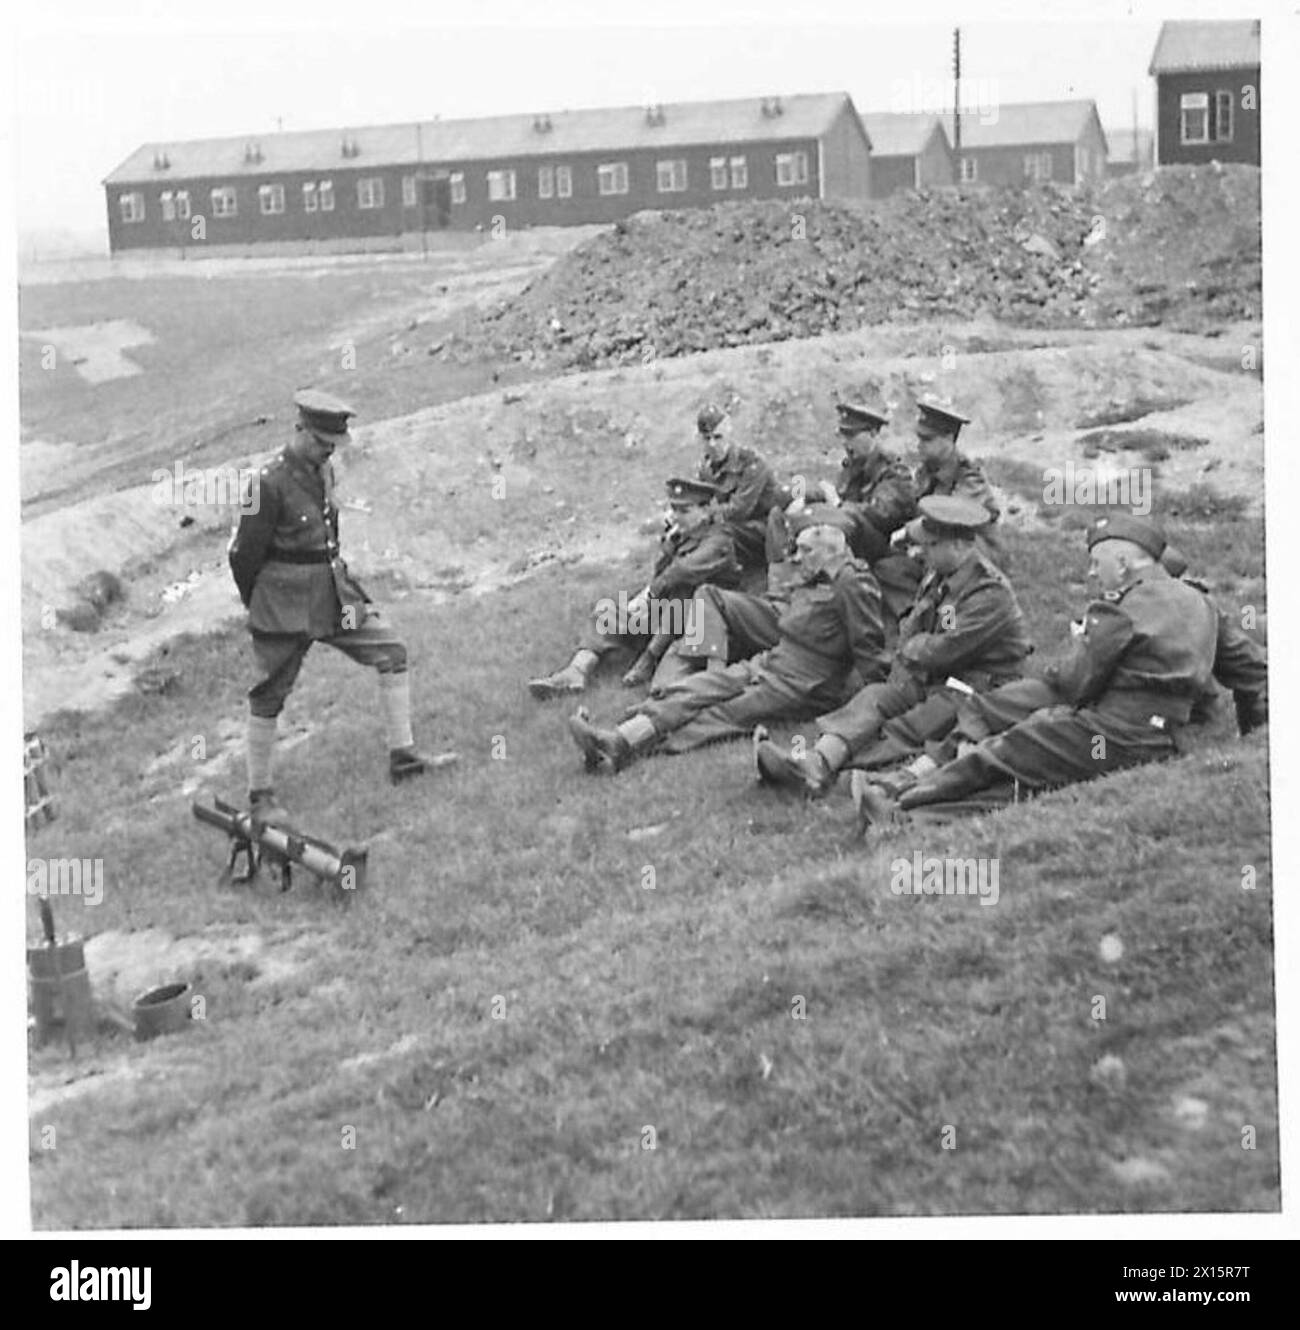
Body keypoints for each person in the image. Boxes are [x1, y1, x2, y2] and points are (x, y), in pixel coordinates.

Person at [851, 512, 1220, 831]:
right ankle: (916, 817)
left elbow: (1076, 682)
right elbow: (1224, 679)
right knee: (1024, 775)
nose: (1093, 574)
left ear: (1123, 564)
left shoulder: (1116, 612)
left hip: (1111, 730)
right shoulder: (1202, 603)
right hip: (1155, 736)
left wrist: (1081, 644)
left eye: (1097, 564)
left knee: (1014, 746)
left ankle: (906, 802)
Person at [228, 389, 455, 820]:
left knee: (392, 651)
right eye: (319, 442)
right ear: (298, 431)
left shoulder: (323, 471)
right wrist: (259, 605)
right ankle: (260, 797)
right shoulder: (266, 484)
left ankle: (404, 758)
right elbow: (243, 554)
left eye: (332, 445)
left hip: (333, 597)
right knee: (269, 693)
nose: (327, 451)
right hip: (283, 606)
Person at [754, 495, 1030, 797]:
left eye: (932, 544)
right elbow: (915, 628)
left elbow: (943, 649)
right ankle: (817, 760)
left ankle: (840, 778)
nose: (922, 550)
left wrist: (913, 647)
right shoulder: (942, 574)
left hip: (977, 688)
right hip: (935, 675)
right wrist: (915, 646)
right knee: (875, 697)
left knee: (912, 725)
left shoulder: (989, 592)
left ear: (960, 545)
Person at [566, 524, 887, 772]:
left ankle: (632, 745)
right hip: (773, 661)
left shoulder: (852, 583)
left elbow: (868, 644)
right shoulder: (818, 578)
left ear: (827, 551)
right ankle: (618, 738)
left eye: (804, 551)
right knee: (702, 686)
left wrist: (869, 699)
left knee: (722, 713)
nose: (796, 558)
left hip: (805, 684)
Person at [528, 477, 742, 698]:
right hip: (667, 619)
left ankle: (649, 659)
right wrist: (669, 544)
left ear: (705, 510)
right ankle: (576, 672)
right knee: (607, 611)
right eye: (674, 510)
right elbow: (661, 573)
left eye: (684, 511)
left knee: (683, 595)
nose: (677, 517)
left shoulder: (719, 540)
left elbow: (683, 571)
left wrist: (649, 594)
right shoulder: (685, 537)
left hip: (698, 626)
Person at [872, 401, 1001, 622]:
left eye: (927, 439)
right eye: (919, 438)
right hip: (938, 545)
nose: (919, 445)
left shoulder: (970, 477)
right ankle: (915, 615)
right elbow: (914, 510)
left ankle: (937, 617)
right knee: (885, 568)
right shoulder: (926, 472)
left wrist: (908, 535)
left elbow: (950, 521)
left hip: (970, 553)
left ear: (950, 439)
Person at [765, 402, 916, 566]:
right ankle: (782, 574)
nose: (845, 442)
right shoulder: (854, 463)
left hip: (878, 543)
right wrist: (801, 496)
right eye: (842, 435)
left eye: (851, 435)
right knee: (780, 512)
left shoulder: (894, 471)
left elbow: (881, 515)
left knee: (833, 520)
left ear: (873, 433)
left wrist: (837, 503)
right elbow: (838, 493)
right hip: (849, 527)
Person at [695, 403, 780, 575]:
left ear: (729, 435)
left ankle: (731, 574)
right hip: (738, 530)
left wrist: (704, 515)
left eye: (718, 437)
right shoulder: (707, 466)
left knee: (717, 532)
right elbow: (698, 498)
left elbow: (740, 510)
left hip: (767, 530)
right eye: (707, 438)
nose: (712, 444)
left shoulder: (751, 462)